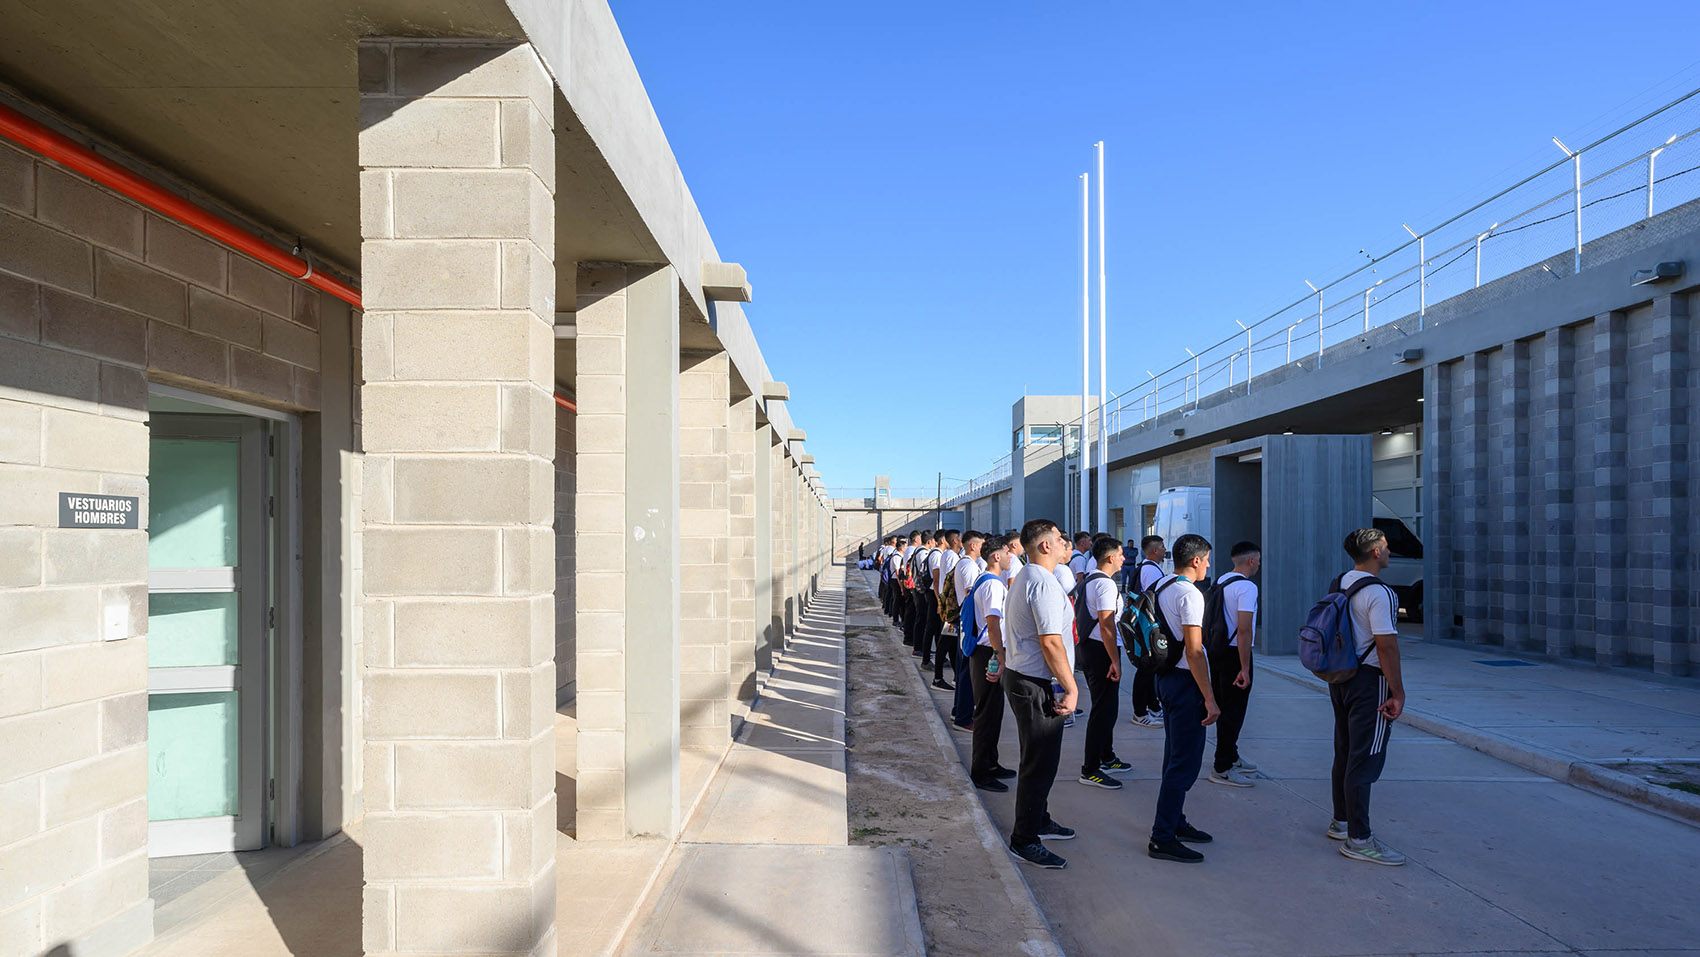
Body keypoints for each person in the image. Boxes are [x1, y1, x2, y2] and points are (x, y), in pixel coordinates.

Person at [1000, 519, 1079, 869]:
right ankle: (1025, 838)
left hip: (1025, 678)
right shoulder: (1042, 583)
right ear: (1046, 545)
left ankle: (1039, 819)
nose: (1067, 546)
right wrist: (1072, 686)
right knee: (1039, 764)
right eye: (1062, 540)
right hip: (1035, 684)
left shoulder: (1027, 578)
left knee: (1041, 760)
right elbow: (1050, 641)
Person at [1329, 528, 1408, 866]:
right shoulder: (1381, 593)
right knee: (1365, 758)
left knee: (1345, 750)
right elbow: (1386, 645)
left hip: (1340, 676)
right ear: (1375, 552)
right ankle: (1359, 839)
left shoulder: (1340, 582)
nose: (1389, 552)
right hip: (1369, 681)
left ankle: (1341, 821)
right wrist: (1397, 691)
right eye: (1387, 547)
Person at [1148, 533, 1220, 864]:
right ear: (1195, 560)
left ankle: (1175, 823)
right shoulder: (1191, 595)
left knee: (1173, 756)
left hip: (1165, 679)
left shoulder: (1164, 585)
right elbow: (1194, 651)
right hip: (1185, 683)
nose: (1207, 564)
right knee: (1184, 763)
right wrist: (1210, 698)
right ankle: (1162, 837)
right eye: (1206, 559)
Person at [1076, 535, 1131, 790]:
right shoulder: (1105, 585)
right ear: (1110, 557)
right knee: (1103, 710)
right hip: (1101, 651)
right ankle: (1090, 769)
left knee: (1107, 707)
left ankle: (1106, 756)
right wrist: (1115, 660)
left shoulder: (1093, 578)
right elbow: (1108, 625)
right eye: (1121, 554)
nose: (1124, 558)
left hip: (1093, 649)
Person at [1208, 541, 1261, 788]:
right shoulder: (1247, 588)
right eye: (1258, 560)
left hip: (1217, 651)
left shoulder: (1221, 581)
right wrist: (1245, 668)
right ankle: (1222, 767)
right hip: (1234, 655)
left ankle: (1231, 755)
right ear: (1250, 561)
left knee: (1225, 706)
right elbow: (1244, 629)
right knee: (1234, 711)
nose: (1259, 564)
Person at [967, 534, 1018, 791]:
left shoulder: (988, 581)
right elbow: (992, 623)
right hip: (989, 653)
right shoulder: (993, 585)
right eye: (1008, 553)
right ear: (996, 556)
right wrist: (1000, 655)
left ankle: (991, 763)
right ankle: (981, 772)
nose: (1012, 557)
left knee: (993, 712)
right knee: (986, 714)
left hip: (988, 651)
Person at [1128, 535, 1167, 729]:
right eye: (1162, 547)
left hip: (1145, 625)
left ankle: (1152, 706)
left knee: (1151, 667)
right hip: (1147, 626)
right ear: (1154, 550)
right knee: (1146, 668)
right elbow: (1154, 600)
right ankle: (1140, 712)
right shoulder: (1151, 571)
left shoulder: (1147, 567)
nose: (1164, 550)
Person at [950, 531, 988, 730]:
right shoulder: (969, 566)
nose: (984, 547)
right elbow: (970, 594)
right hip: (969, 622)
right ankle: (963, 717)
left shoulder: (965, 564)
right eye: (982, 544)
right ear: (973, 546)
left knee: (964, 668)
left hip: (965, 622)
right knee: (967, 671)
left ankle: (958, 710)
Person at [929, 530, 961, 691]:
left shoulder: (949, 555)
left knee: (952, 644)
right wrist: (943, 604)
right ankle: (938, 678)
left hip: (950, 606)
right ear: (955, 540)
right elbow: (950, 583)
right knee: (945, 642)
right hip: (951, 608)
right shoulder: (951, 557)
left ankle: (956, 676)